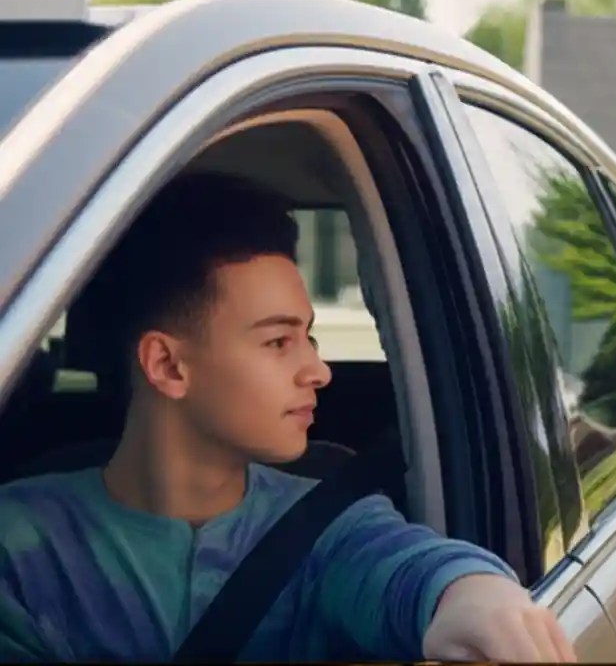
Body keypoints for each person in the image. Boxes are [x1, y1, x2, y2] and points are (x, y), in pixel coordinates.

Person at [0, 173, 576, 663]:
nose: (319, 371)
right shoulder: (17, 544)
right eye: (279, 342)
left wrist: (470, 592)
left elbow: (403, 568)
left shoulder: (325, 524)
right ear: (168, 365)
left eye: (310, 336)